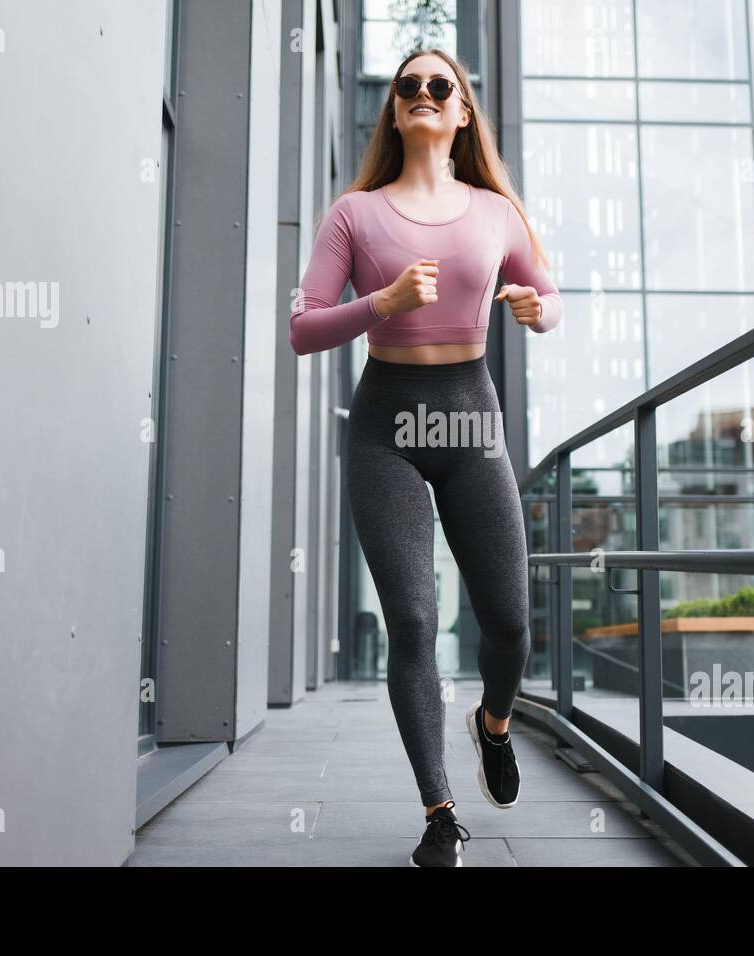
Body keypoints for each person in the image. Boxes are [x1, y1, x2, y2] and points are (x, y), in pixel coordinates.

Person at [289, 48, 564, 867]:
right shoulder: (355, 213)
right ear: (395, 110)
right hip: (388, 429)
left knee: (510, 625)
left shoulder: (495, 212)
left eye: (437, 85)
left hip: (471, 424)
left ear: (462, 111)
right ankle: (441, 813)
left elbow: (551, 300)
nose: (420, 94)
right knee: (410, 619)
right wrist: (383, 302)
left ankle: (494, 725)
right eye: (407, 86)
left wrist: (532, 307)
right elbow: (304, 326)